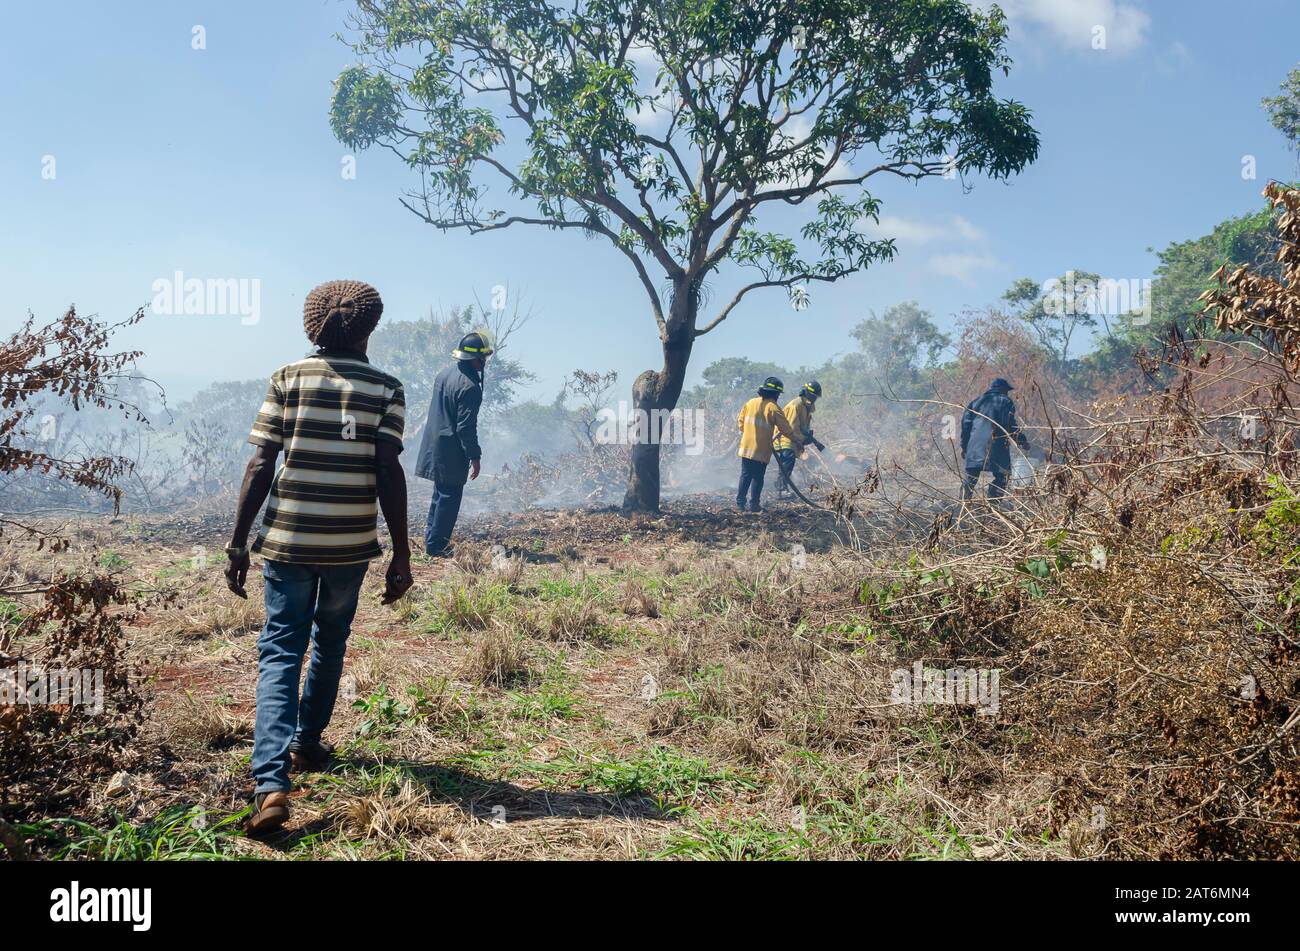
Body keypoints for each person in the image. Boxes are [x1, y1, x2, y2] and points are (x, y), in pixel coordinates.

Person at [225, 280, 412, 835]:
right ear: (369, 328)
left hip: (287, 542)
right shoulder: (387, 388)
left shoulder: (288, 379)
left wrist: (237, 541)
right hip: (349, 547)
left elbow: (261, 464)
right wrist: (402, 554)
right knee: (329, 641)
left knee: (281, 649)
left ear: (314, 327)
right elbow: (388, 471)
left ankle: (271, 784)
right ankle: (307, 744)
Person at [415, 331, 491, 556]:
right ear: (476, 359)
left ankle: (432, 541)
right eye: (483, 357)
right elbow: (465, 427)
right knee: (449, 497)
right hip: (451, 450)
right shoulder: (470, 387)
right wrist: (474, 456)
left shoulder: (444, 375)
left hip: (435, 445)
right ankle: (437, 547)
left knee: (439, 494)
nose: (484, 362)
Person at [736, 376, 801, 512]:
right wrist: (796, 440)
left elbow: (740, 423)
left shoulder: (750, 403)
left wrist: (748, 433)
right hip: (761, 450)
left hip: (746, 448)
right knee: (758, 478)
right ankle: (754, 505)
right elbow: (786, 429)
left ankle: (740, 504)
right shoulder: (774, 408)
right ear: (776, 393)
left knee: (745, 475)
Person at [960, 377, 1029, 501]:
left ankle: (962, 505)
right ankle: (993, 505)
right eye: (1006, 390)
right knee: (1003, 475)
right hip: (996, 446)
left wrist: (964, 447)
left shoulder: (975, 402)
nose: (1007, 393)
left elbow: (966, 426)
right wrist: (1022, 441)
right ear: (1002, 389)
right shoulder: (1005, 401)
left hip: (974, 448)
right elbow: (1009, 424)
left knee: (970, 478)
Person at [773, 380, 823, 497]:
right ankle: (781, 490)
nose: (814, 399)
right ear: (807, 393)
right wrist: (800, 440)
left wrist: (806, 437)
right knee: (787, 462)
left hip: (793, 439)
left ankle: (783, 488)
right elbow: (790, 427)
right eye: (813, 396)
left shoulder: (806, 407)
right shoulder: (796, 405)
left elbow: (802, 427)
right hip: (784, 438)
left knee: (789, 463)